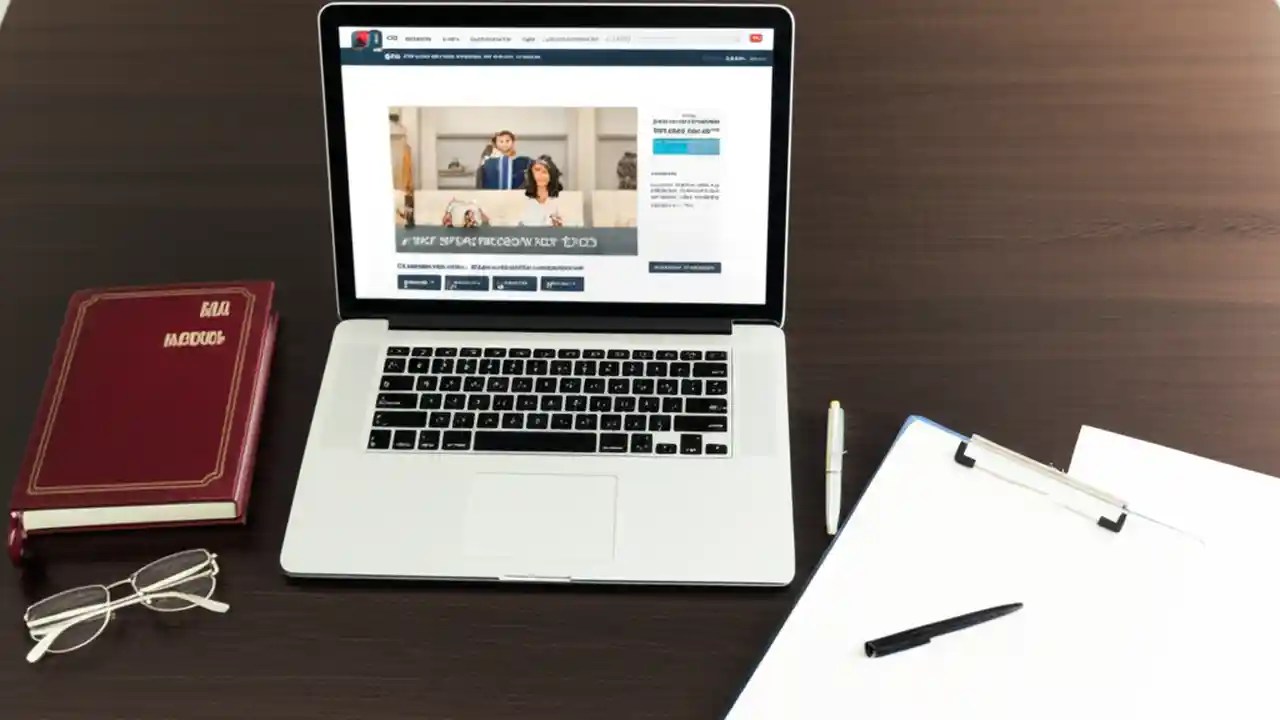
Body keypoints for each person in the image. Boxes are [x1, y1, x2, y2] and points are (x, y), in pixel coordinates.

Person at [519, 156, 566, 227]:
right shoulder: (523, 200)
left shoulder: (560, 200)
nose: (540, 175)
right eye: (537, 170)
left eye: (544, 172)